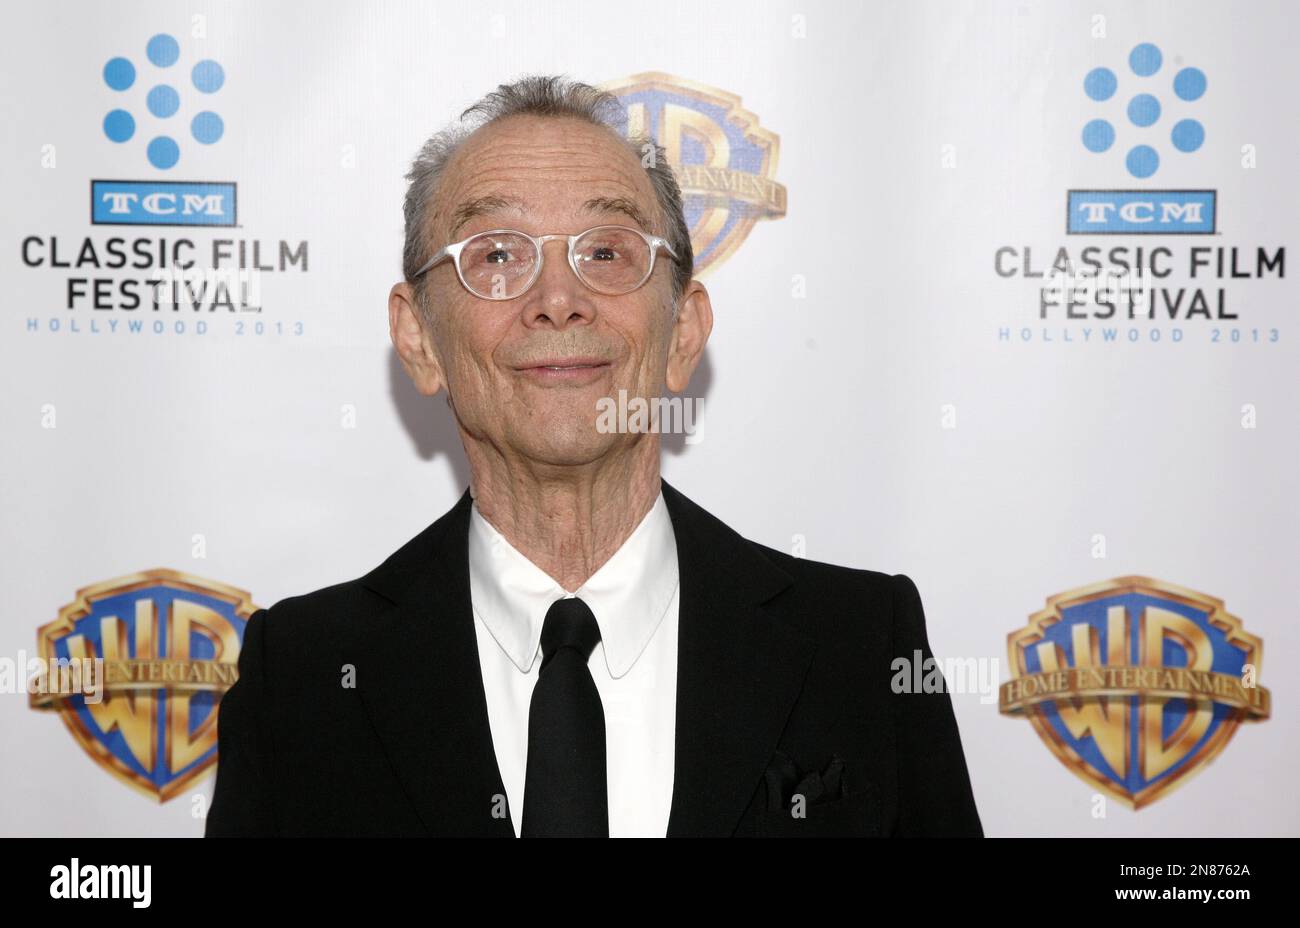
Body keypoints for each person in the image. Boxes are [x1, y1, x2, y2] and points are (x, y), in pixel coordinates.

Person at [206, 75, 982, 837]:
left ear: (683, 333)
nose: (556, 296)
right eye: (499, 254)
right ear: (419, 339)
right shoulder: (302, 676)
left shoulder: (861, 644)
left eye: (606, 253)